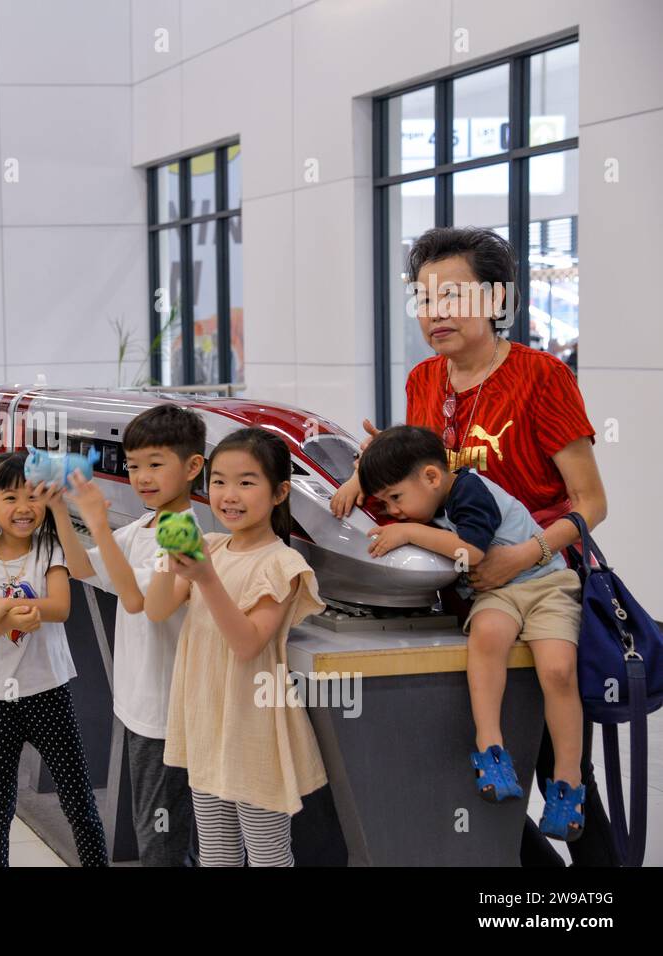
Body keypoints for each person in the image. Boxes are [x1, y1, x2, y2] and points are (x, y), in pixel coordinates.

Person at [329, 226, 613, 865]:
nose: (436, 314)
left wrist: (525, 553)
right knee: (482, 777)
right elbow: (416, 483)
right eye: (425, 299)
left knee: (555, 767)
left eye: (453, 296)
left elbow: (590, 502)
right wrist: (365, 470)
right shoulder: (424, 381)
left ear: (497, 298)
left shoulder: (542, 377)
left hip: (539, 585)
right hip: (457, 600)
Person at [359, 426, 585, 839]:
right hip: (499, 595)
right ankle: (491, 749)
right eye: (385, 502)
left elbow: (472, 551)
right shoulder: (431, 498)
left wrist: (408, 532)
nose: (392, 511)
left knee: (558, 670)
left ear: (431, 477)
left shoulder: (469, 491)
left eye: (395, 498)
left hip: (546, 586)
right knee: (486, 639)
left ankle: (568, 784)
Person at [147, 428, 327, 867]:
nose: (229, 494)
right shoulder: (210, 546)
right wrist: (168, 559)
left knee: (268, 855)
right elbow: (156, 609)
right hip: (207, 721)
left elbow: (247, 644)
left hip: (253, 729)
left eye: (246, 482)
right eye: (219, 481)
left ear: (280, 491)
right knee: (216, 854)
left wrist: (205, 579)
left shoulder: (282, 564)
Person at [46, 404, 205, 866]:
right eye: (133, 466)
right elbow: (83, 567)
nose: (142, 477)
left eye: (156, 464)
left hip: (165, 709)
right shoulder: (145, 525)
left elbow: (139, 602)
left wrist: (97, 521)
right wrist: (60, 509)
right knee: (157, 825)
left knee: (162, 835)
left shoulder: (184, 531)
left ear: (193, 466)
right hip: (141, 703)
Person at [0, 451, 109, 867]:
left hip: (47, 692)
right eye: (10, 499)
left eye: (33, 497)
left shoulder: (50, 548)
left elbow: (59, 607)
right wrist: (4, 615)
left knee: (78, 800)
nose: (24, 509)